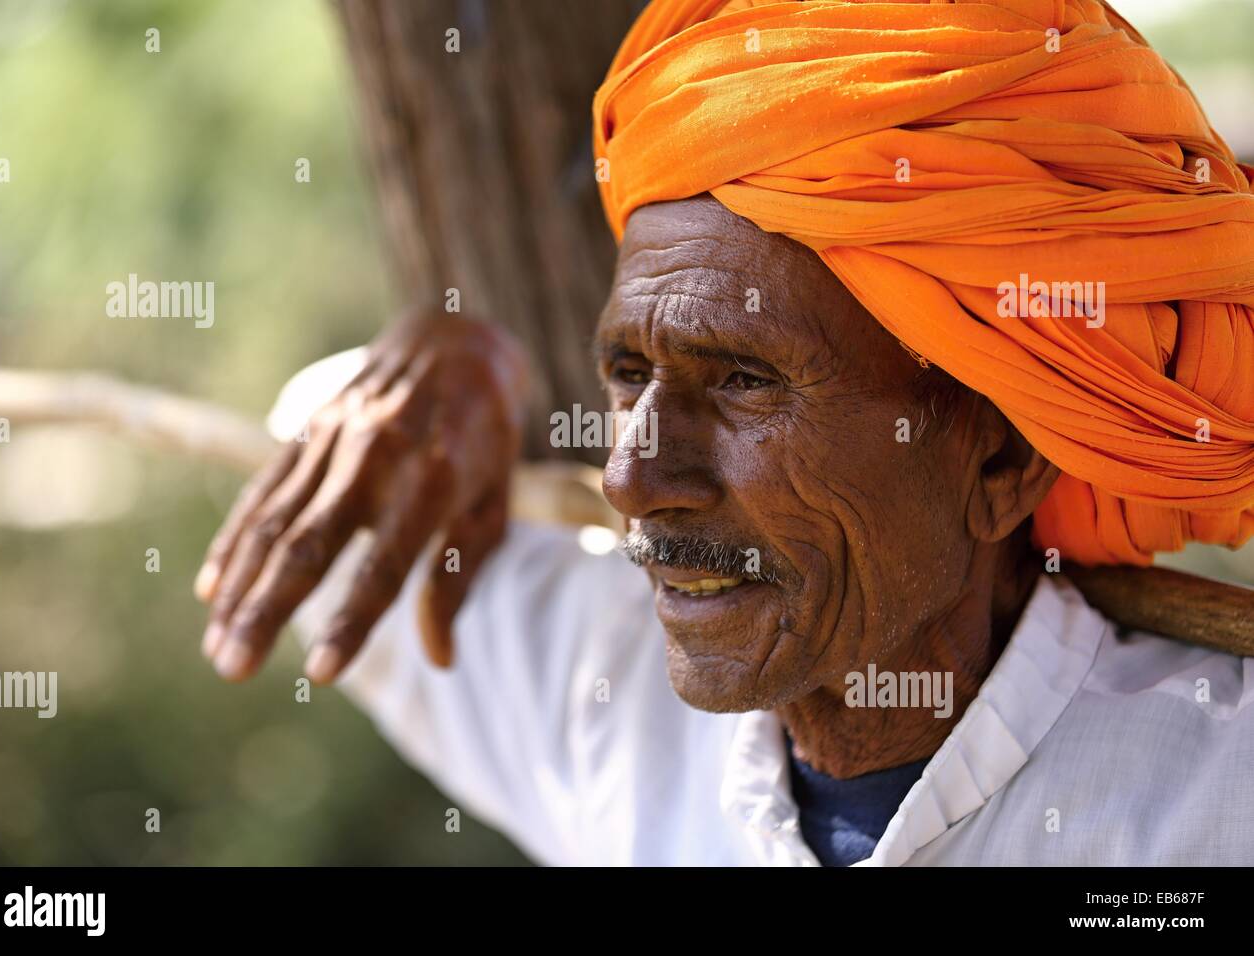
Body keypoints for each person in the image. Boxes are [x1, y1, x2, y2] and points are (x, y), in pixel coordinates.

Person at [193, 0, 1254, 865]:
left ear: (1000, 454)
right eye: (624, 371)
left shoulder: (1217, 792)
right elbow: (329, 484)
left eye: (743, 380)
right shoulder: (607, 710)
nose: (629, 476)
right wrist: (457, 369)